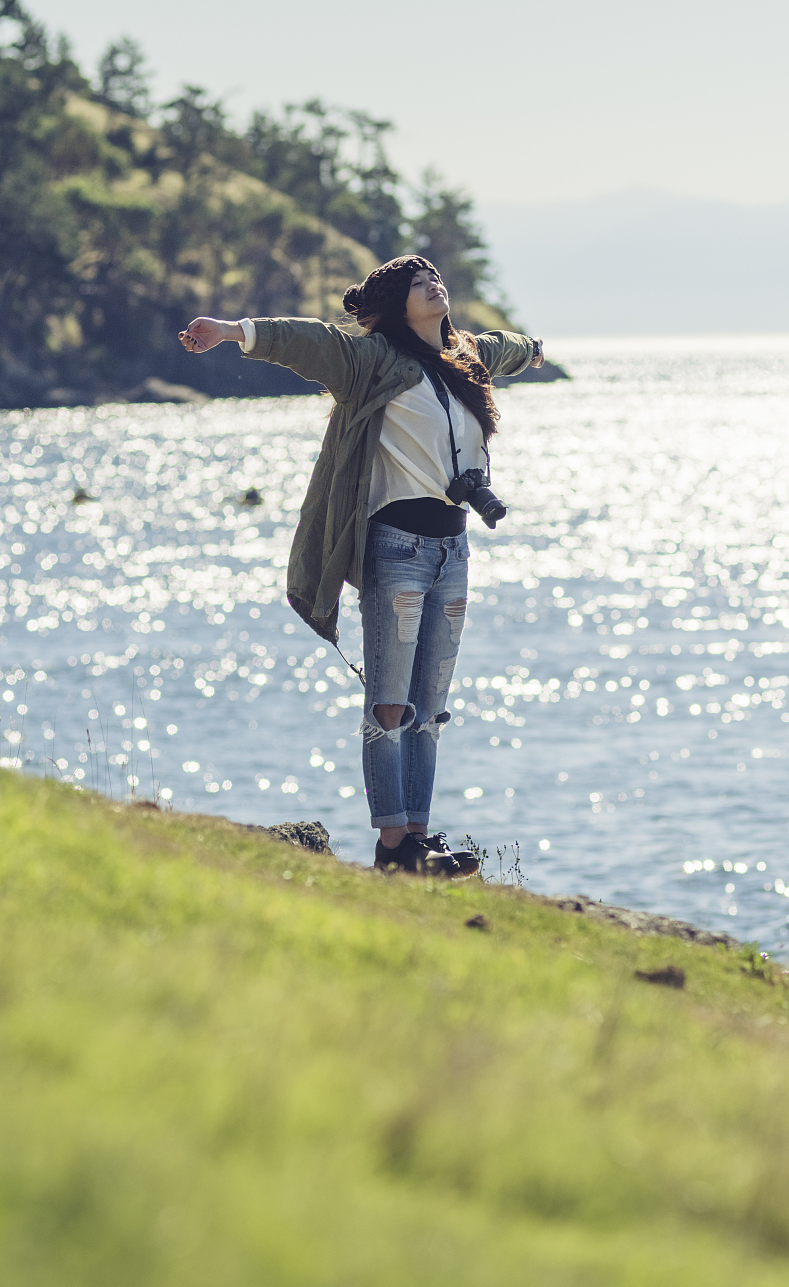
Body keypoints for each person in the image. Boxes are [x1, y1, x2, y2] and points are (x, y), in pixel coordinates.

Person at [179, 257, 544, 875]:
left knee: (431, 705)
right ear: (397, 305)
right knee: (390, 706)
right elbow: (310, 342)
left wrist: (532, 349)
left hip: (453, 551)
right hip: (396, 547)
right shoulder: (372, 360)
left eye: (435, 278)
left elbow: (502, 348)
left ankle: (421, 840)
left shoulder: (467, 358)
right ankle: (393, 846)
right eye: (417, 283)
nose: (434, 285)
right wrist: (233, 330)